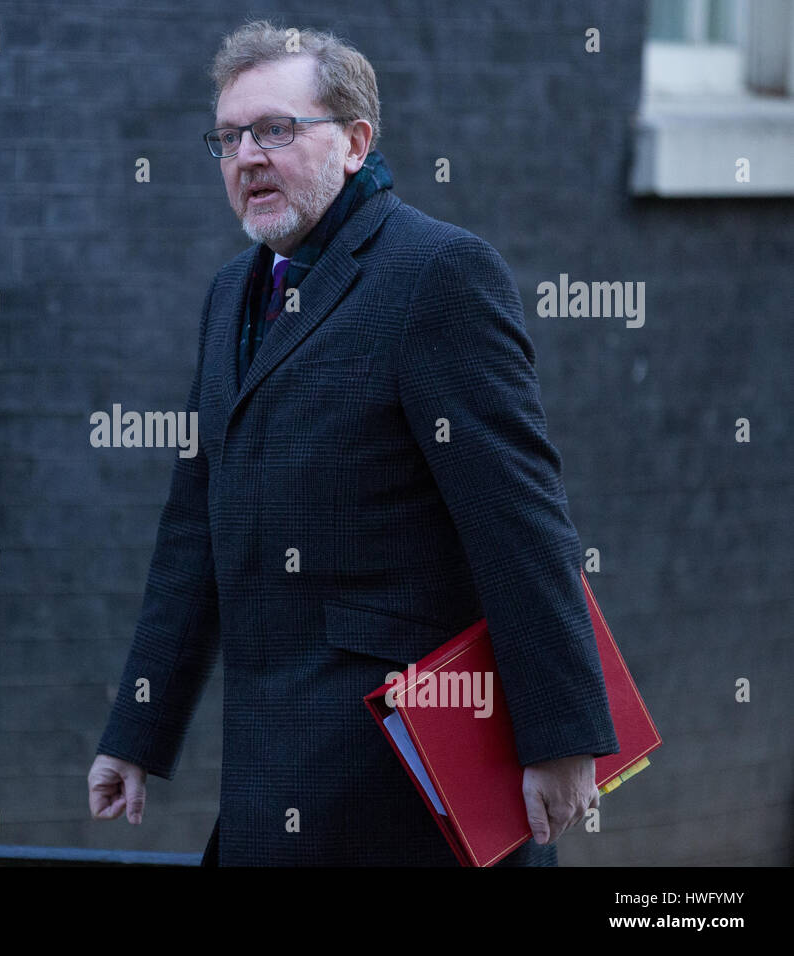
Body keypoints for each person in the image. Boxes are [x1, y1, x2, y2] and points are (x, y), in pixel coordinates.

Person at [86, 20, 618, 866]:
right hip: (269, 773)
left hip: (409, 789)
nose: (246, 157)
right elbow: (195, 528)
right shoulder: (232, 296)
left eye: (275, 130)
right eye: (227, 137)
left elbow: (518, 521)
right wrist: (138, 732)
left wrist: (561, 738)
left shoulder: (438, 274)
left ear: (357, 142)